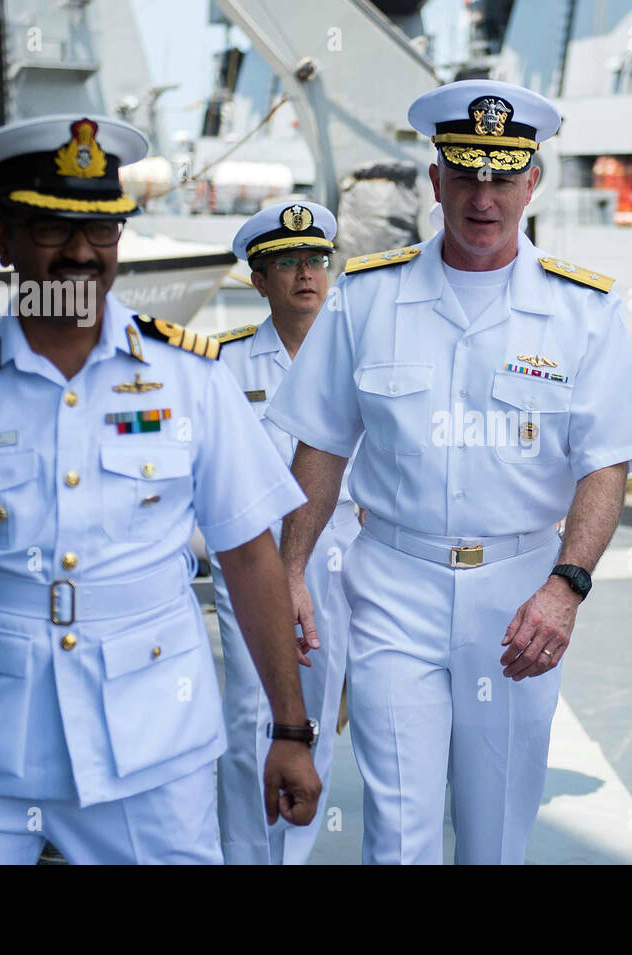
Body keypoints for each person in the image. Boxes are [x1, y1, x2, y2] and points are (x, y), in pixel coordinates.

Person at [0, 115, 320, 865]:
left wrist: (290, 730)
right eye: (53, 230)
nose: (81, 254)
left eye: (101, 231)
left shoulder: (189, 380)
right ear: (2, 239)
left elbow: (250, 558)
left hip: (153, 753)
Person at [264, 80, 632, 864]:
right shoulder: (368, 298)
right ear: (437, 181)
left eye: (503, 176)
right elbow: (322, 447)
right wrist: (292, 569)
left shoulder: (585, 311)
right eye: (466, 175)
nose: (485, 197)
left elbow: (605, 464)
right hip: (393, 586)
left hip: (519, 593)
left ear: (532, 183)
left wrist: (566, 585)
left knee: (495, 838)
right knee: (397, 834)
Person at [213, 200, 360, 864]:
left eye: (316, 260)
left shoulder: (359, 358)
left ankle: (291, 857)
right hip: (259, 562)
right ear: (259, 279)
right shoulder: (224, 367)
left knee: (328, 721)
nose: (306, 273)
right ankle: (248, 857)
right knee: (258, 720)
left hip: (353, 559)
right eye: (288, 263)